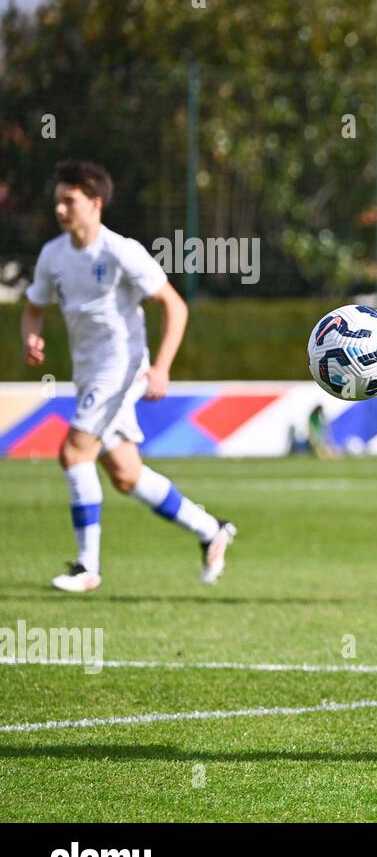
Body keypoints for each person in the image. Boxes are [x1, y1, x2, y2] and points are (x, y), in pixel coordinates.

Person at [21, 160, 237, 592]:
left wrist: (161, 367)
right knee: (126, 475)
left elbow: (175, 305)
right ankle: (210, 529)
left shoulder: (121, 251)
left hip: (121, 368)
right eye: (58, 201)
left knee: (73, 453)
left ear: (95, 204)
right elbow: (34, 308)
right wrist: (31, 337)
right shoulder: (53, 255)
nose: (61, 210)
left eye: (70, 201)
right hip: (88, 374)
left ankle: (87, 567)